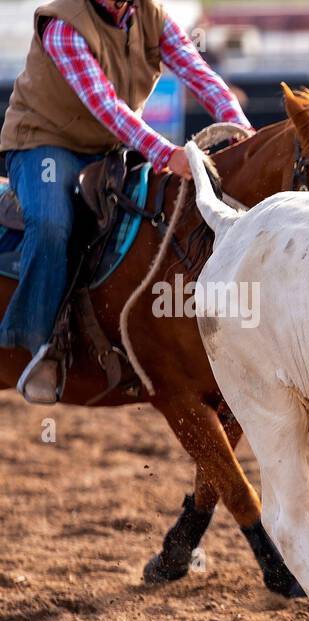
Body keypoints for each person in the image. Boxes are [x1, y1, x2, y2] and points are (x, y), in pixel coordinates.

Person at [0, 0, 252, 405]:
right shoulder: (63, 24)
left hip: (112, 148)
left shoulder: (153, 17)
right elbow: (104, 105)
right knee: (51, 224)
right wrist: (165, 152)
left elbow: (198, 72)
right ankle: (35, 340)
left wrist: (240, 129)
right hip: (43, 144)